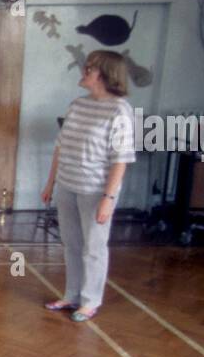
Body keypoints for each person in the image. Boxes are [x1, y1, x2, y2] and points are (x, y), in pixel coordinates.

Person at [41, 49, 137, 322]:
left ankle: (90, 301)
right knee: (71, 243)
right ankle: (72, 295)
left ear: (106, 75)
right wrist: (51, 183)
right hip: (67, 185)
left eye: (91, 68)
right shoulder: (77, 105)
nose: (84, 71)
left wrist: (108, 197)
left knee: (93, 247)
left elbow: (121, 158)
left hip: (95, 190)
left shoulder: (120, 110)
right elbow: (60, 147)